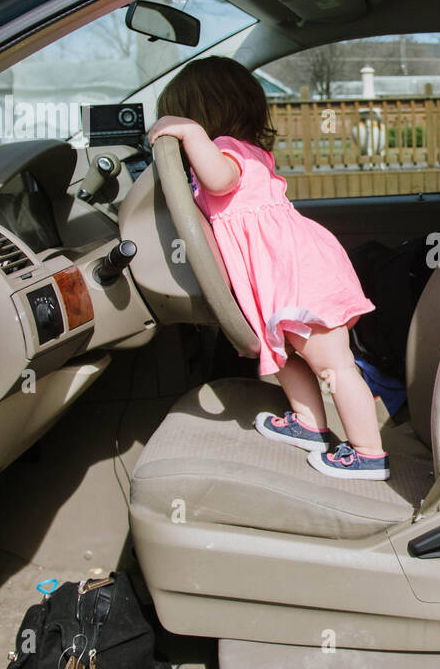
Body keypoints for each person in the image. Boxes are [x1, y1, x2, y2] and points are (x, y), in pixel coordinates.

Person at [148, 56, 390, 480]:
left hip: (300, 277)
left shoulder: (229, 152)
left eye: (187, 119)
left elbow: (220, 181)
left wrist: (187, 134)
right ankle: (310, 425)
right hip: (278, 281)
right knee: (286, 357)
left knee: (333, 364)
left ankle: (369, 453)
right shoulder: (240, 153)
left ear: (203, 117)